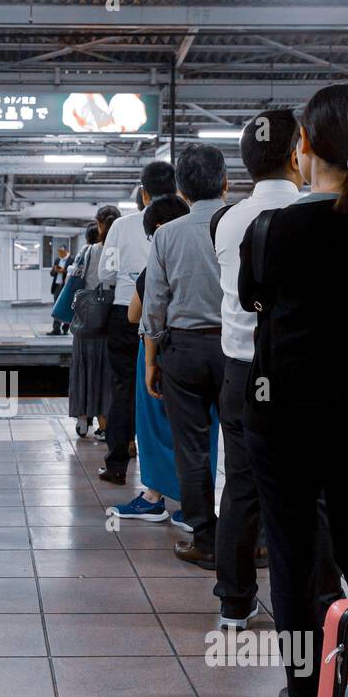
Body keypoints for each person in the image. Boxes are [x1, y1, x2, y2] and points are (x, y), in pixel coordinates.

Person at [239, 83, 348, 697]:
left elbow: (255, 303)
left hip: (285, 416)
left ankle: (306, 691)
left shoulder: (273, 226)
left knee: (296, 549)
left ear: (303, 144)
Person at [211, 109, 302, 628]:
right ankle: (315, 602)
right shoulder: (314, 216)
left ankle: (233, 605)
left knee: (241, 486)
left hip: (239, 373)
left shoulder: (226, 220)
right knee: (306, 491)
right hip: (295, 375)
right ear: (297, 155)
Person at [141, 144, 227, 568]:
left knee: (191, 449)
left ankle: (205, 539)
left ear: (181, 189)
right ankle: (257, 540)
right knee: (247, 447)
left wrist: (153, 361)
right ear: (226, 182)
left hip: (184, 351)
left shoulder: (166, 234)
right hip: (239, 351)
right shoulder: (248, 224)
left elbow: (154, 304)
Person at [110, 193, 218, 528]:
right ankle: (196, 508)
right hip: (220, 347)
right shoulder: (221, 241)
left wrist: (151, 360)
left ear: (158, 227)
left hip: (168, 348)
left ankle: (154, 498)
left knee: (155, 427)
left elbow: (137, 314)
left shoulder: (162, 253)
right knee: (205, 431)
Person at [98, 163, 174, 483]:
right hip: (169, 318)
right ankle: (165, 475)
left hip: (125, 315)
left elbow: (105, 273)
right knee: (164, 391)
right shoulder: (180, 223)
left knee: (123, 388)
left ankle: (117, 465)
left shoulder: (121, 226)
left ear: (142, 193)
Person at [69, 220, 114, 438]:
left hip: (85, 321)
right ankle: (104, 423)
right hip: (109, 322)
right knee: (105, 373)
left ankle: (82, 418)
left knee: (82, 369)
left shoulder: (86, 252)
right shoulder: (118, 251)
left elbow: (73, 279)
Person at [46, 245, 70, 334]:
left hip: (66, 287)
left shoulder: (71, 260)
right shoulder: (57, 260)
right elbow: (51, 273)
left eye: (62, 251)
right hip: (57, 286)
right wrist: (55, 270)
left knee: (67, 307)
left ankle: (66, 327)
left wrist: (64, 271)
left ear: (66, 251)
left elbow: (73, 273)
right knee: (56, 308)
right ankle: (56, 329)